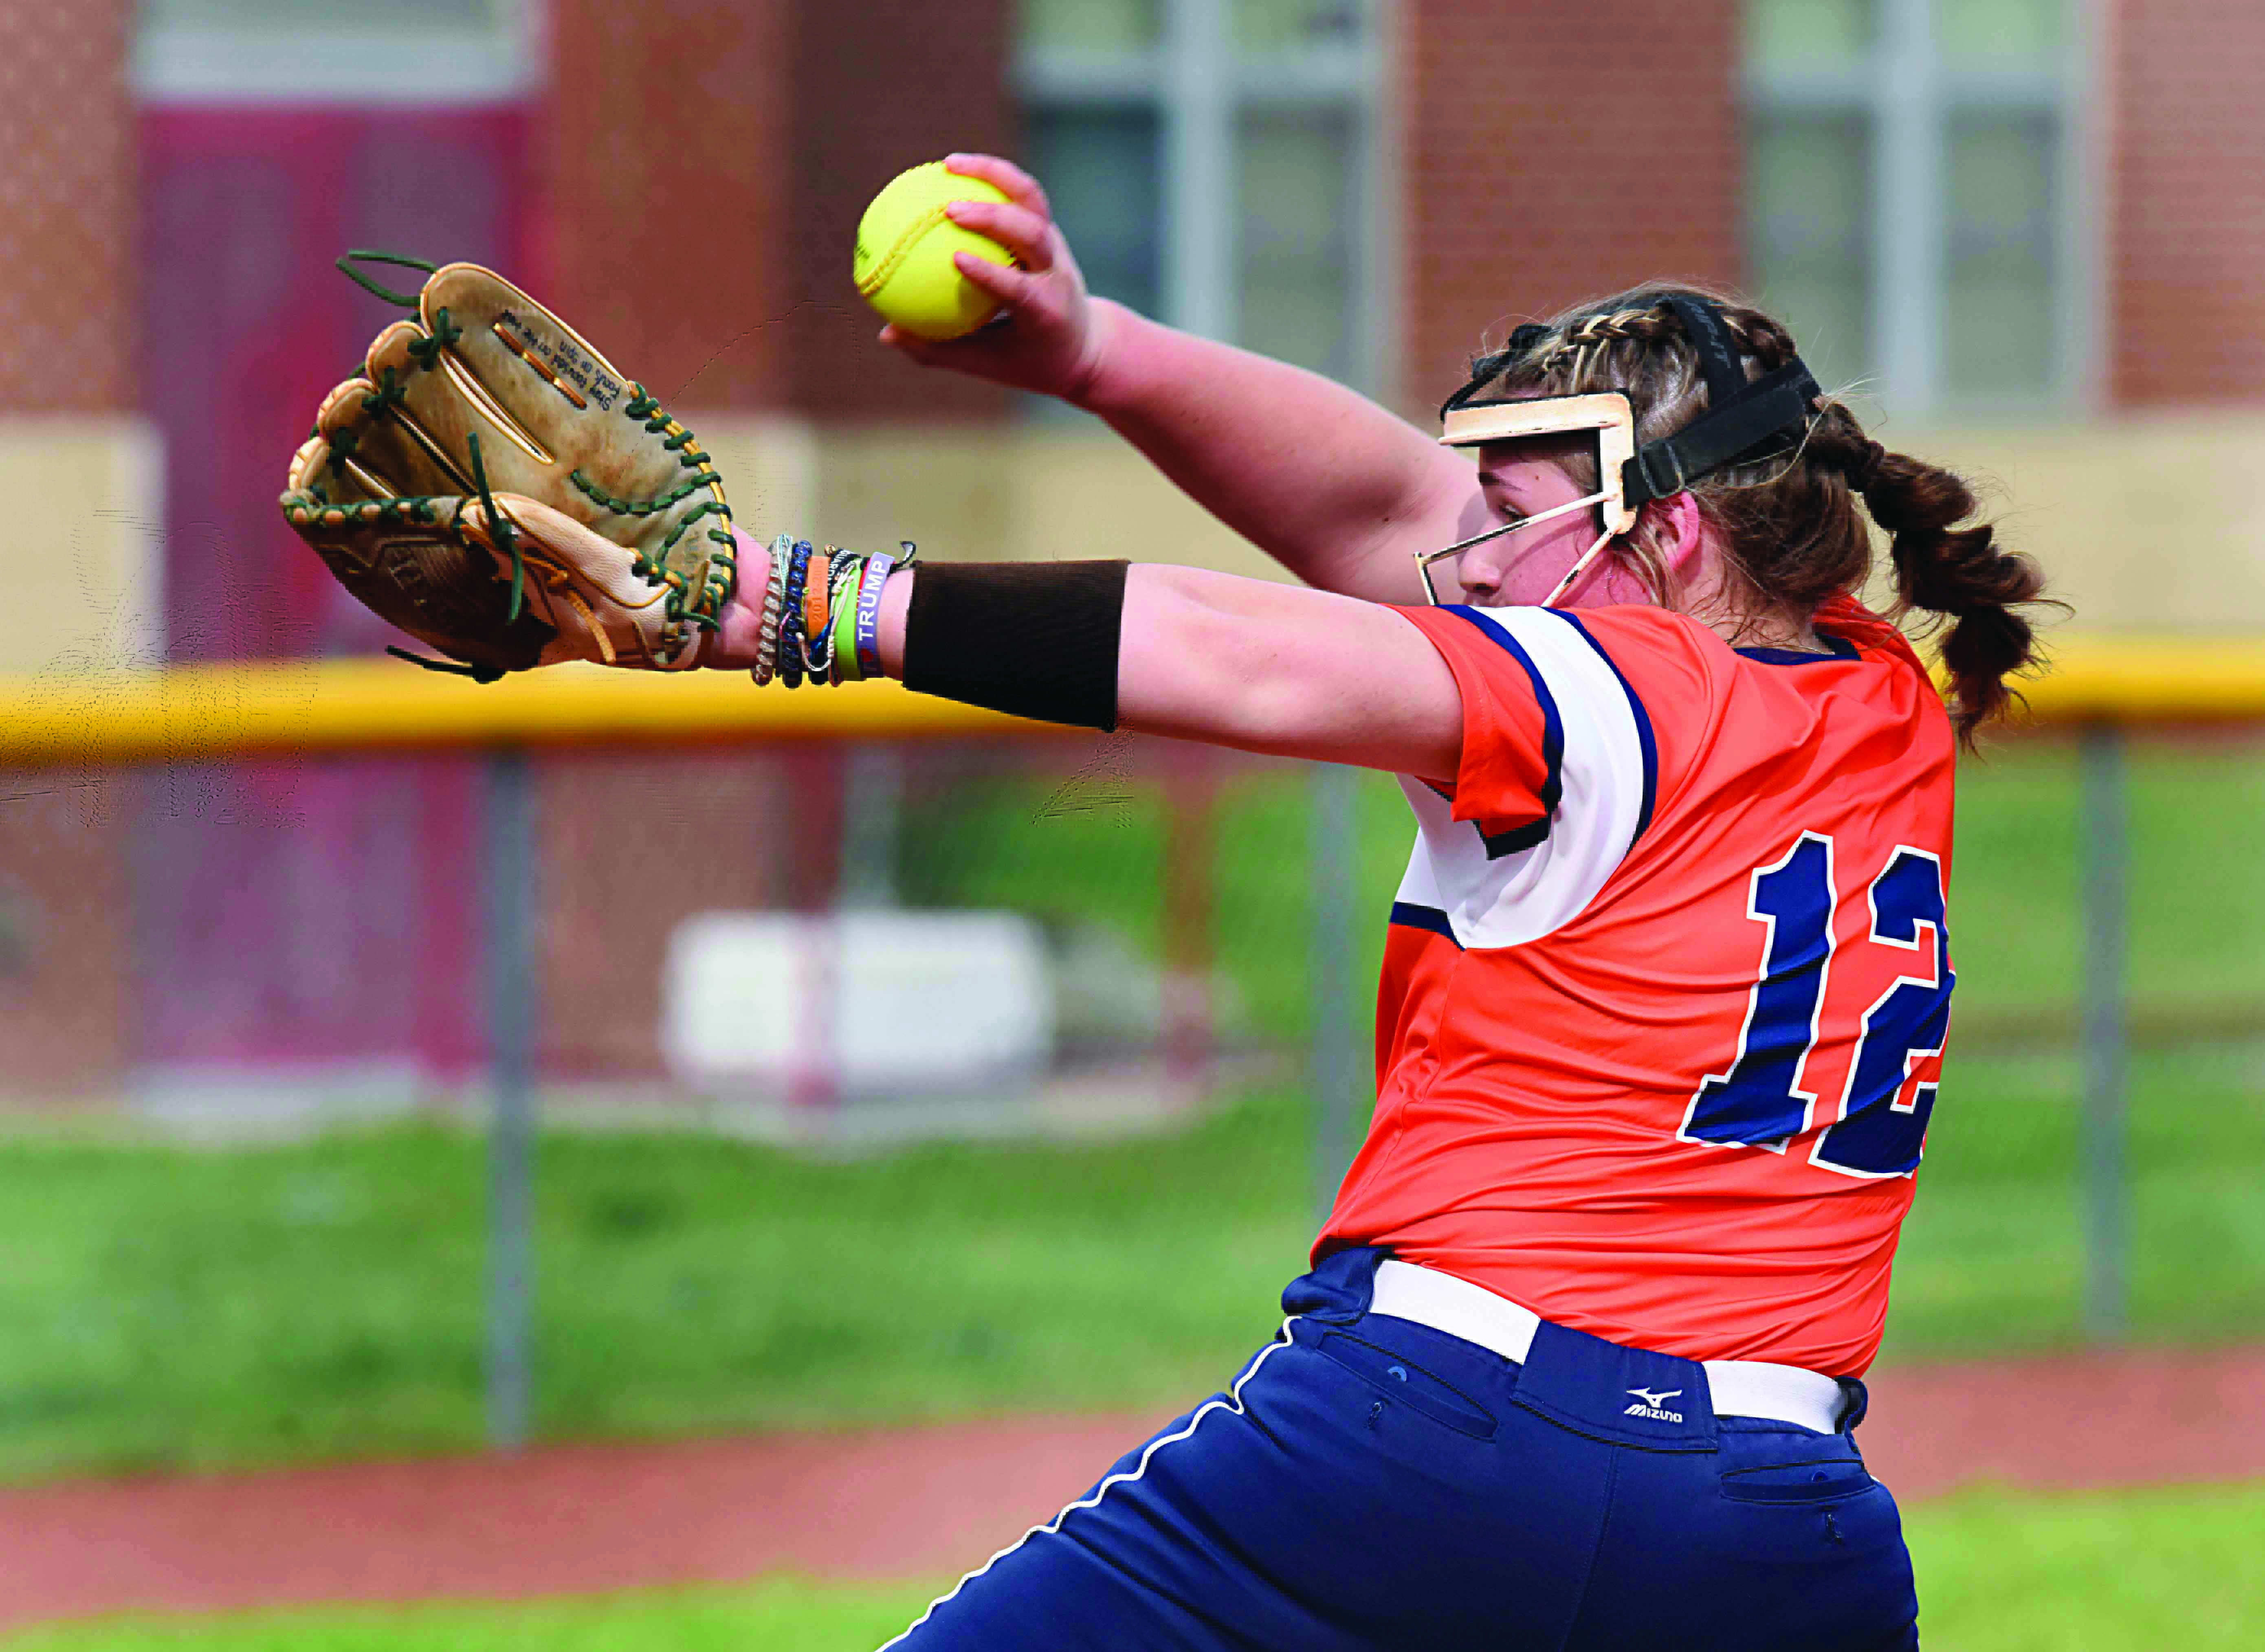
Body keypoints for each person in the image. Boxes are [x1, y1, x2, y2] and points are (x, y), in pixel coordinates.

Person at [694, 154, 2049, 1651]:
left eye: (1507, 518)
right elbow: (1389, 507)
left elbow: (1242, 652)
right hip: (1779, 1534)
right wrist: (1098, 352)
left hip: (1427, 1448)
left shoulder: (1593, 685)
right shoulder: (1877, 693)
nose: (1457, 565)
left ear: (1663, 538)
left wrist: (785, 602)